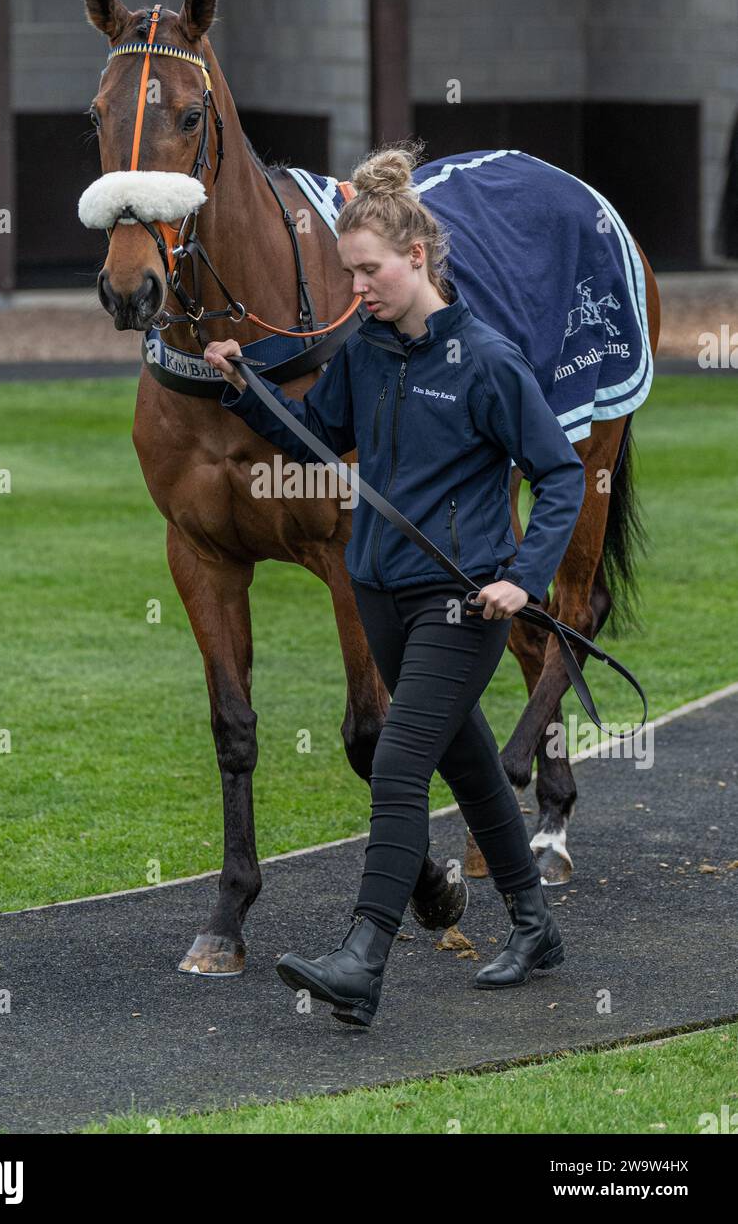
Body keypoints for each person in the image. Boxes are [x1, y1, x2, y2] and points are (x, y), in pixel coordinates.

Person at [205, 141, 586, 1029]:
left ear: (417, 258)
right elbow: (309, 438)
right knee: (470, 766)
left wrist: (525, 582)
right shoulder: (366, 355)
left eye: (369, 271)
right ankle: (536, 930)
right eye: (348, 274)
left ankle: (363, 957)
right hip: (381, 593)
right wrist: (240, 385)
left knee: (400, 763)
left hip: (463, 603)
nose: (357, 290)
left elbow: (561, 474)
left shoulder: (488, 361)